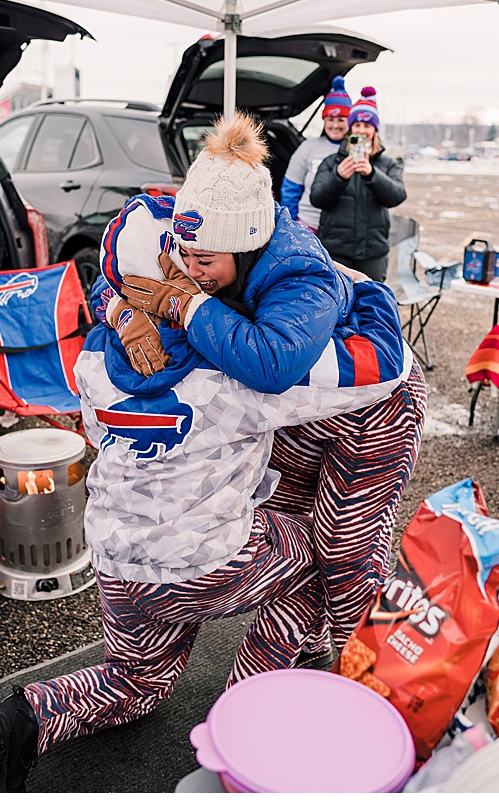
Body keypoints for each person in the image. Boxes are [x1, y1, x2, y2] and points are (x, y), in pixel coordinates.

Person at [0, 192, 413, 792]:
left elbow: (103, 382)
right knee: (316, 568)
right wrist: (361, 288)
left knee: (134, 683)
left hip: (118, 559)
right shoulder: (237, 379)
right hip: (203, 560)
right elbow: (379, 368)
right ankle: (246, 724)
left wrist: (122, 311)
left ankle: (22, 719)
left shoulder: (96, 361)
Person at [113, 113, 426, 665]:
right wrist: (121, 311)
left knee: (343, 550)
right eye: (184, 255)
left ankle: (378, 677)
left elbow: (272, 361)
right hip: (298, 410)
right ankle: (302, 656)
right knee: (289, 518)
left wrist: (188, 305)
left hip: (373, 404)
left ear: (247, 245)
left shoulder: (300, 272)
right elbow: (118, 268)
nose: (190, 267)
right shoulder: (190, 226)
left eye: (204, 261)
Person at [309, 85, 407, 282]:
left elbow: (397, 196)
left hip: (373, 252)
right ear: (350, 129)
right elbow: (317, 198)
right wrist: (339, 178)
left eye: (367, 126)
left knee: (371, 304)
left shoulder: (388, 163)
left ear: (375, 130)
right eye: (357, 125)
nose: (362, 131)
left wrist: (372, 174)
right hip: (336, 250)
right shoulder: (332, 162)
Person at [279, 74, 353, 231]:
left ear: (350, 121)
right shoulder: (308, 148)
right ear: (324, 120)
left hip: (343, 232)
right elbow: (291, 188)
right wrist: (292, 225)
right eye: (330, 119)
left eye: (341, 119)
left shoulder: (356, 151)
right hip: (308, 226)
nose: (335, 125)